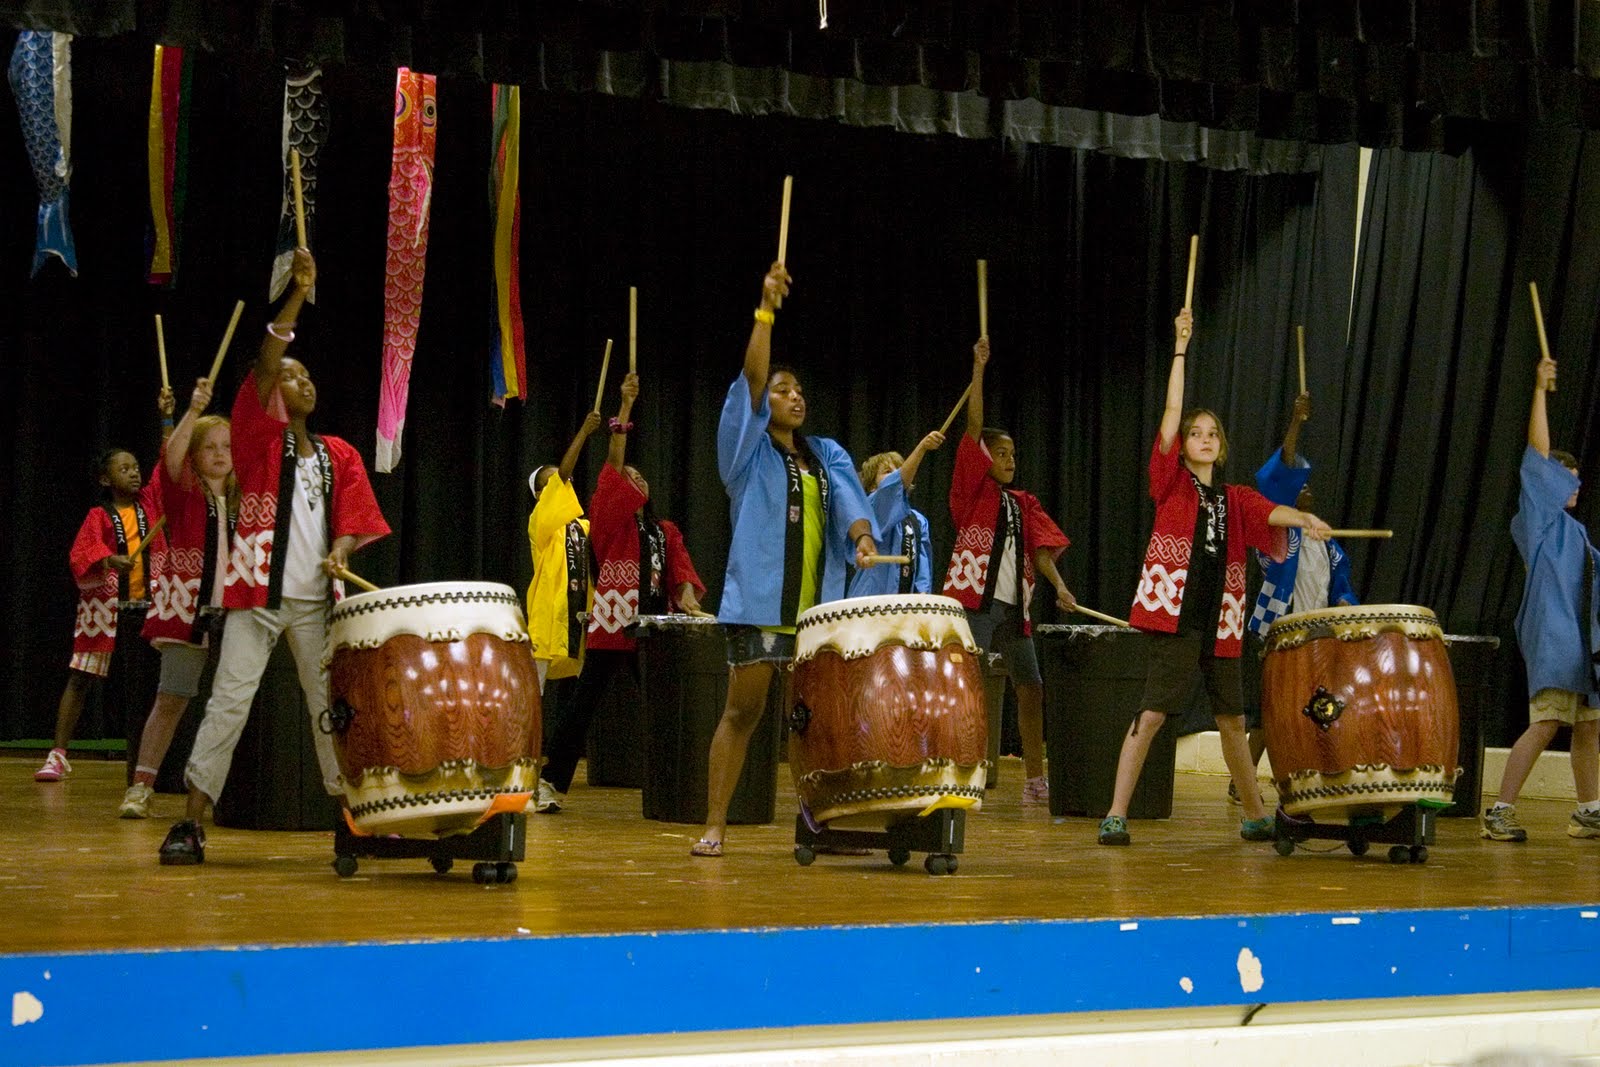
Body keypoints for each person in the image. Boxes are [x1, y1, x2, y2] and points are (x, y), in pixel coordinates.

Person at [159, 247, 390, 864]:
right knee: (229, 701)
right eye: (291, 375)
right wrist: (295, 295)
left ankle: (352, 821)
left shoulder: (339, 455)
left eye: (307, 374)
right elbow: (262, 364)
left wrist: (340, 551)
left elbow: (351, 524)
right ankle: (189, 823)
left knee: (330, 710)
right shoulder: (258, 437)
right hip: (255, 596)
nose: (300, 381)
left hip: (317, 606)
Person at [1098, 308, 1331, 846]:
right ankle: (1116, 812)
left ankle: (1254, 814)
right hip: (1174, 616)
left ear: (1221, 448)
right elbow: (1172, 410)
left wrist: (1307, 519)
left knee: (1231, 719)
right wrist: (1180, 346)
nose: (1202, 438)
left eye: (1212, 434)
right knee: (1153, 713)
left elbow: (1274, 513)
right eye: (1195, 434)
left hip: (1220, 622)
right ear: (1182, 446)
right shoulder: (1171, 484)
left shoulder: (1234, 499)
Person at [692, 260, 877, 857]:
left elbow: (851, 497)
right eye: (783, 389)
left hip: (814, 613)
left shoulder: (823, 454)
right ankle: (715, 823)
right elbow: (749, 379)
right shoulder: (745, 456)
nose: (795, 396)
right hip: (759, 604)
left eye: (799, 390)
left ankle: (817, 820)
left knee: (814, 722)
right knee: (743, 712)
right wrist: (765, 307)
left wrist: (864, 538)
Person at [535, 371, 708, 813]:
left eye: (639, 476)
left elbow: (681, 572)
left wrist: (687, 596)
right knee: (583, 703)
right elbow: (613, 465)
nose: (633, 479)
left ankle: (681, 786)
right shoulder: (610, 522)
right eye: (626, 476)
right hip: (614, 623)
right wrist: (625, 408)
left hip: (654, 629)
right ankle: (550, 783)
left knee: (668, 708)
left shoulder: (663, 531)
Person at [942, 338, 1075, 803]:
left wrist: (1060, 588)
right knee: (968, 686)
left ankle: (1035, 779)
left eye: (1014, 454)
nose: (1009, 460)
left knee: (1031, 687)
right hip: (973, 601)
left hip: (1015, 606)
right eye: (1001, 453)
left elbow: (1041, 551)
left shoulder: (1023, 503)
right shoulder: (970, 491)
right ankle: (964, 772)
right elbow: (974, 424)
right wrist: (979, 369)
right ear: (983, 457)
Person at [1482, 352, 1600, 842]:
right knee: (1548, 722)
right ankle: (1500, 810)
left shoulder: (1577, 534)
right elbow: (1538, 451)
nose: (1570, 479)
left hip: (1580, 641)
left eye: (1573, 474)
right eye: (1561, 473)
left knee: (1590, 726)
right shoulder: (1537, 521)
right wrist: (1538, 389)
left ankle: (1590, 809)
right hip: (1553, 636)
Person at [120, 377, 236, 817]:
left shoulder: (247, 495)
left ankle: (217, 793)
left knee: (229, 706)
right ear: (194, 455)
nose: (220, 454)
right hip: (190, 608)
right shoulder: (185, 492)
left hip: (237, 611)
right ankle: (141, 786)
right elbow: (170, 458)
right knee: (172, 699)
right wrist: (190, 411)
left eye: (227, 446)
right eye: (209, 447)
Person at [1238, 390, 1359, 802]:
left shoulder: (1329, 546)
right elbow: (1282, 471)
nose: (1304, 490)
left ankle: (1304, 771)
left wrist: (1345, 604)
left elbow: (1341, 585)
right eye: (1297, 489)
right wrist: (1296, 423)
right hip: (1281, 627)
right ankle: (1244, 777)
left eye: (1308, 490)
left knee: (1307, 706)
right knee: (1275, 709)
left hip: (1318, 632)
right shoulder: (1275, 533)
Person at [36, 434, 164, 782]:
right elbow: (80, 554)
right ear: (106, 479)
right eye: (124, 469)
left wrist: (166, 418)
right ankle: (58, 754)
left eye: (136, 468)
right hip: (106, 607)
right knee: (81, 677)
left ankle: (155, 761)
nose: (134, 473)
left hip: (152, 605)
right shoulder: (99, 515)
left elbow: (167, 462)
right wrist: (108, 560)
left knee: (157, 685)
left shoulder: (151, 505)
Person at [526, 411, 603, 693]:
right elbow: (563, 474)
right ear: (539, 496)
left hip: (581, 622)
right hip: (548, 622)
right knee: (534, 697)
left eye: (563, 482)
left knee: (582, 698)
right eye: (552, 483)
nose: (563, 483)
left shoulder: (583, 527)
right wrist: (583, 432)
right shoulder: (540, 524)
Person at [851, 430, 944, 596]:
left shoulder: (918, 519)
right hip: (871, 599)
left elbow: (922, 562)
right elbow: (895, 484)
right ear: (872, 485)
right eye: (887, 471)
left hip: (903, 602)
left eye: (898, 469)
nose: (895, 474)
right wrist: (922, 447)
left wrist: (922, 593)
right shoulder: (872, 506)